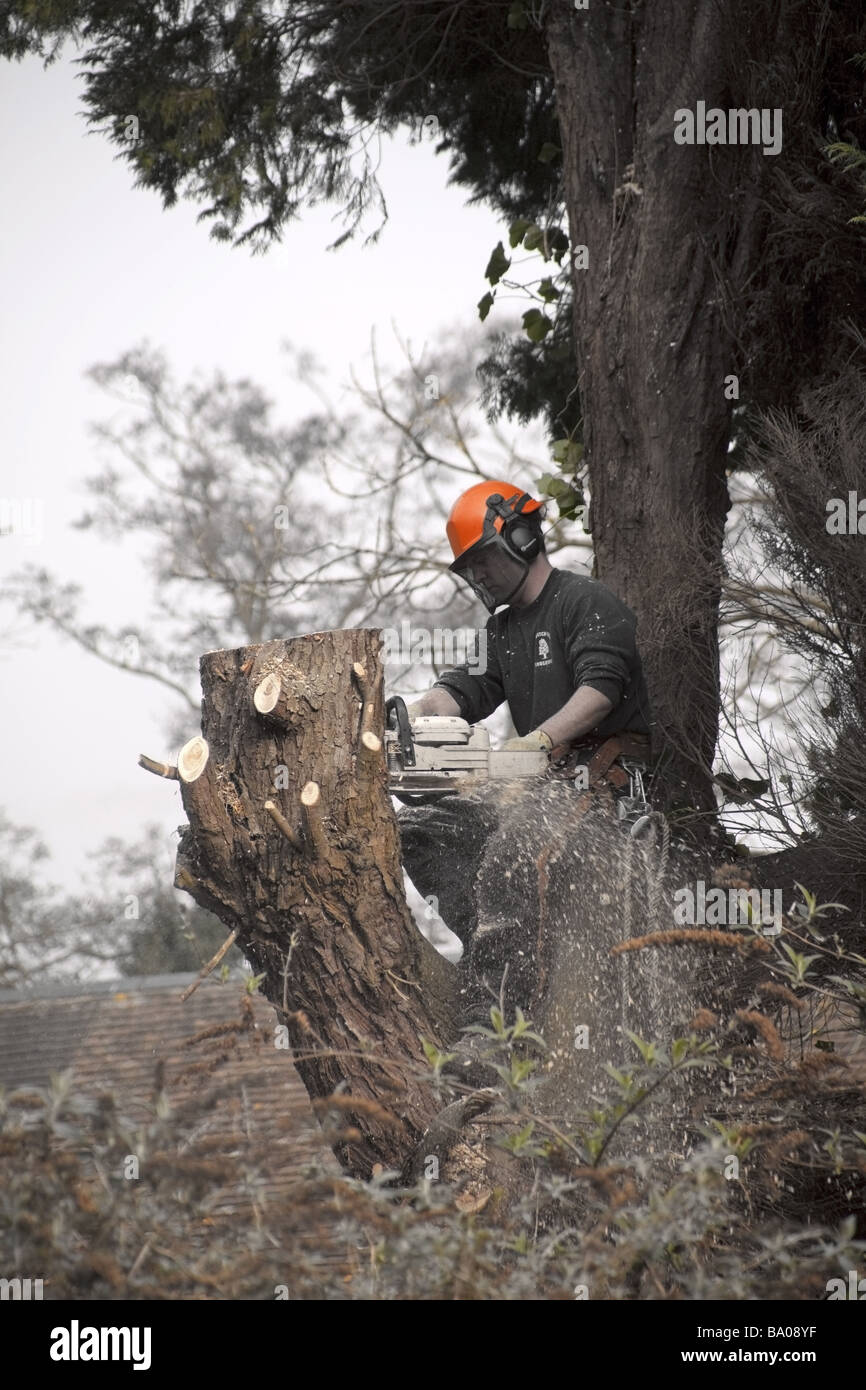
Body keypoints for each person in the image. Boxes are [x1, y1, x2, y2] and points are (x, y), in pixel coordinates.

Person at [397, 479, 653, 1045]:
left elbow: (601, 690)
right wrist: (406, 715)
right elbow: (463, 691)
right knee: (422, 830)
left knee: (511, 851)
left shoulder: (586, 602)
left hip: (600, 787)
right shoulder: (504, 629)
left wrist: (537, 742)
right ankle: (500, 961)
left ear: (519, 535)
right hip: (539, 791)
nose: (479, 576)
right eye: (470, 567)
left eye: (484, 560)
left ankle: (497, 1028)